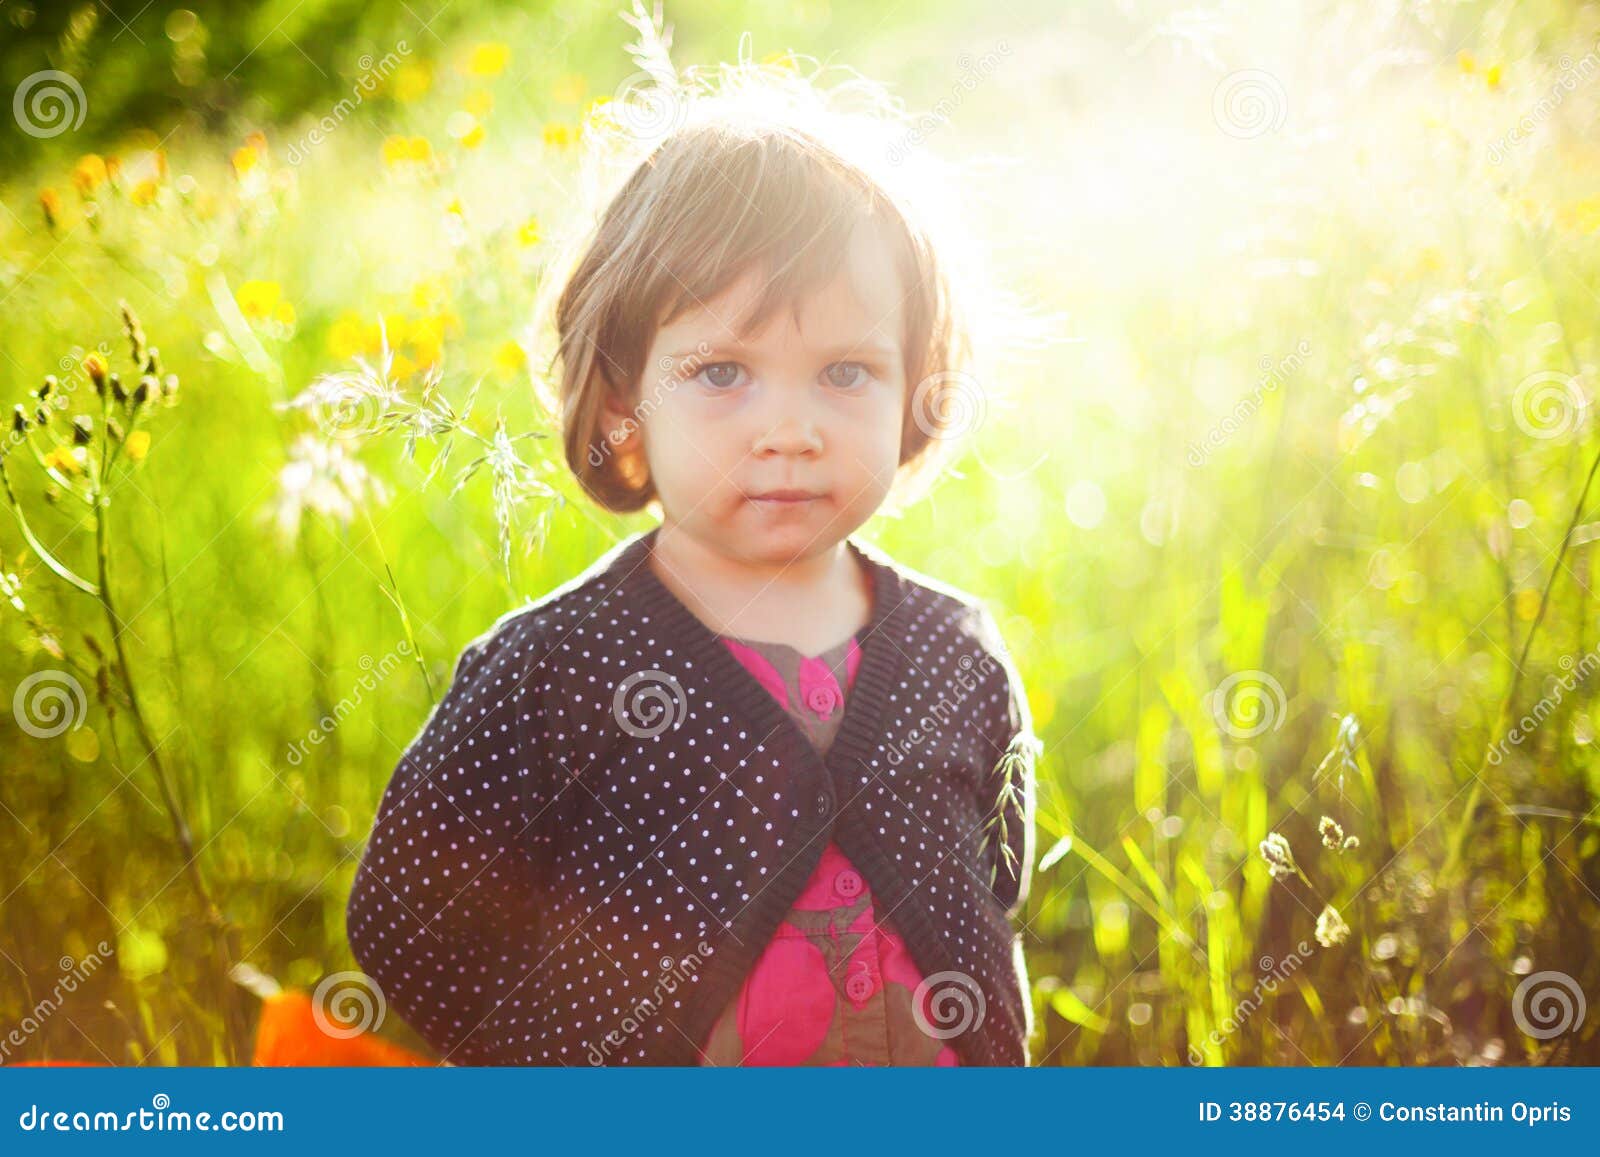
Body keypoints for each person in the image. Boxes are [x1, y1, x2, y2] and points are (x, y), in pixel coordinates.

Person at [346, 57, 1042, 1067]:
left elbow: (994, 880)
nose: (792, 428)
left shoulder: (953, 652)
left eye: (847, 372)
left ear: (913, 389)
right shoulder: (558, 667)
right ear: (625, 401)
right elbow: (411, 918)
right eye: (722, 372)